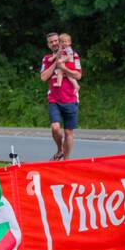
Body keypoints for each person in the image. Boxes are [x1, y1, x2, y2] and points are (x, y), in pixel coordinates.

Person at [40, 31, 82, 160]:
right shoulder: (47, 59)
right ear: (48, 45)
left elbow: (78, 75)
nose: (54, 43)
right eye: (51, 42)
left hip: (70, 98)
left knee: (69, 132)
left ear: (60, 41)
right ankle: (60, 149)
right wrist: (55, 63)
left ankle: (66, 161)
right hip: (54, 99)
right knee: (55, 127)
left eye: (56, 41)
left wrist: (63, 68)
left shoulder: (73, 55)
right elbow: (43, 77)